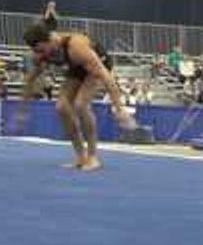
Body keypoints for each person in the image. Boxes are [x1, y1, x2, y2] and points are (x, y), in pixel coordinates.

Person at [17, 21, 135, 171]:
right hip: (76, 68)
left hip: (99, 65)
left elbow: (105, 76)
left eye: (42, 50)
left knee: (80, 105)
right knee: (61, 107)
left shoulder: (76, 46)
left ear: (50, 40)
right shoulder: (41, 54)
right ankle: (81, 156)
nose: (41, 55)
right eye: (37, 51)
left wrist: (119, 109)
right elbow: (30, 80)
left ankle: (93, 157)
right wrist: (22, 110)